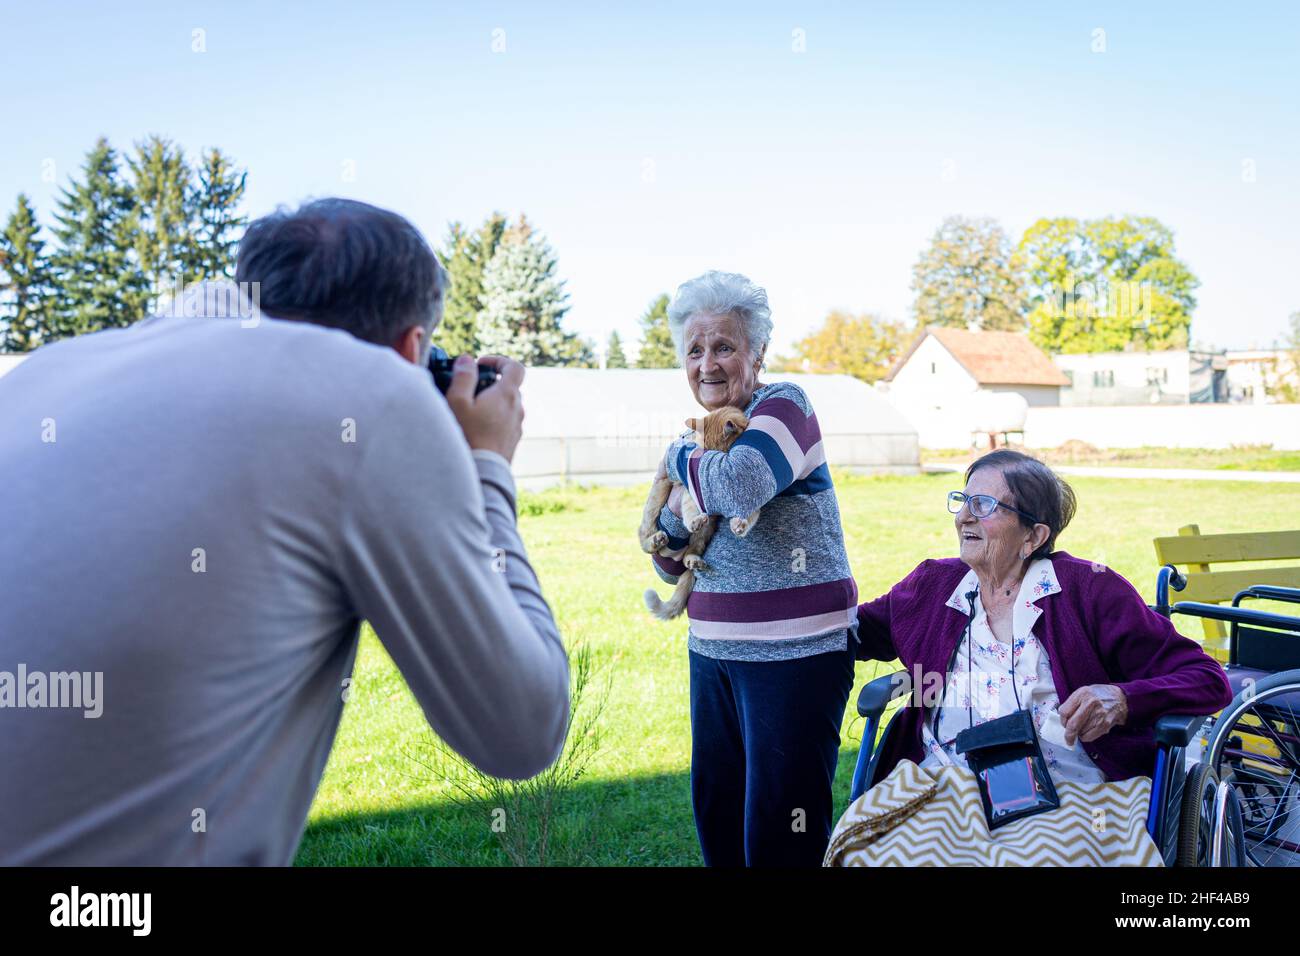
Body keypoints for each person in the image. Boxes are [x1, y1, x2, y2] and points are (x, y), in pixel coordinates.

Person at [0, 198, 570, 865]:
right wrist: (485, 468)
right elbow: (522, 731)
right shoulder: (375, 392)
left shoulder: (41, 375)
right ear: (413, 348)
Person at [856, 449, 1233, 787]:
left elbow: (1207, 679)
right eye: (963, 500)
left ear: (1033, 536)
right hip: (942, 781)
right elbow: (852, 631)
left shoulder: (1091, 590)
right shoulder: (934, 586)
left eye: (984, 504)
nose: (964, 517)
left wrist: (1121, 699)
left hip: (1064, 791)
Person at [648, 270, 858, 866]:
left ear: (758, 352)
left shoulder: (783, 407)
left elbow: (740, 487)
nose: (707, 364)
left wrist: (678, 454)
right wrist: (670, 532)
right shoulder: (702, 442)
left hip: (795, 657)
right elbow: (670, 557)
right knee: (718, 818)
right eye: (694, 350)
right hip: (712, 649)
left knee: (780, 832)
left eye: (724, 346)